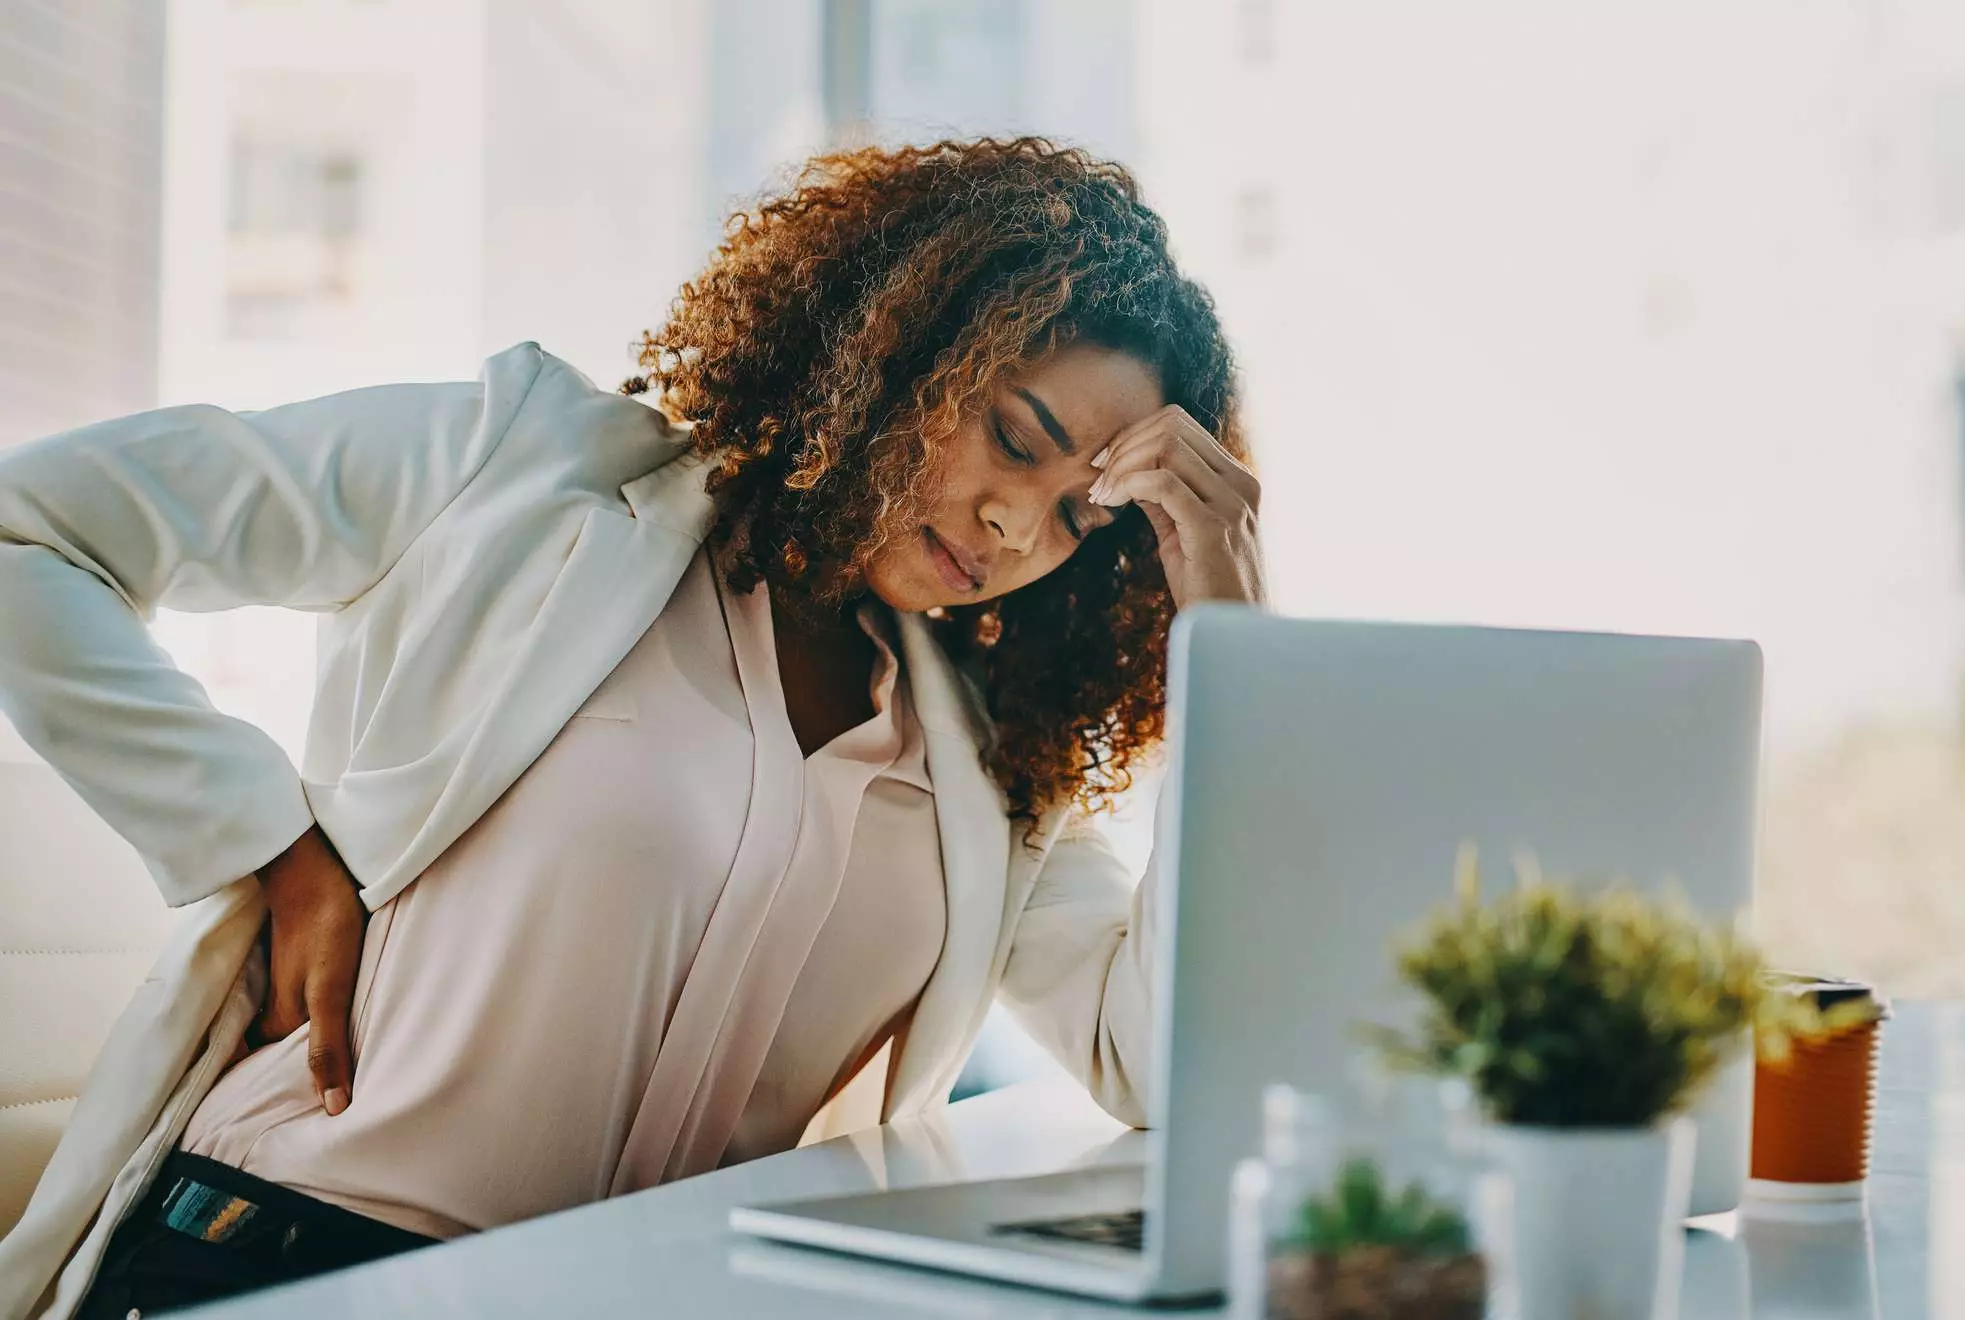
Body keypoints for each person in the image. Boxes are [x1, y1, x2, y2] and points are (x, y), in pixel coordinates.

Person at [0, 138, 1262, 1318]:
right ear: (902, 349)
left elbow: (1160, 1067)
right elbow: (30, 530)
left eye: (1081, 519)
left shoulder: (993, 765)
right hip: (290, 1264)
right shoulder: (522, 467)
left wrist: (1230, 633)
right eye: (1013, 438)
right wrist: (263, 841)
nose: (1015, 528)